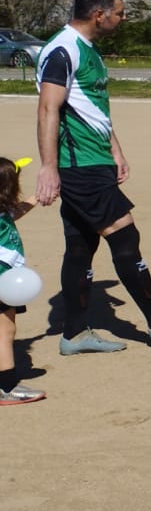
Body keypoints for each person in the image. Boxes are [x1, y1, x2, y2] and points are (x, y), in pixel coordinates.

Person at [37, 0, 151, 352]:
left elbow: (94, 108)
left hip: (95, 159)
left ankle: (74, 334)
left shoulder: (90, 50)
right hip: (77, 165)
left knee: (80, 247)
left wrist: (116, 150)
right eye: (119, 11)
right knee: (125, 235)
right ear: (98, 15)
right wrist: (48, 167)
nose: (123, 17)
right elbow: (48, 109)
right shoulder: (62, 51)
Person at [0, 156, 44, 403]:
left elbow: (11, 215)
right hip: (3, 278)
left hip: (7, 278)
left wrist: (35, 199)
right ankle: (6, 387)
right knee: (5, 332)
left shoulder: (2, 212)